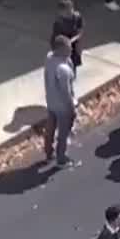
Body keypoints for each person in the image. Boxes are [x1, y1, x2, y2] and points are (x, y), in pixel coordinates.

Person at [43, 35, 77, 168]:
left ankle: (48, 153)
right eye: (68, 48)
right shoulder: (63, 69)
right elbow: (66, 92)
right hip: (63, 107)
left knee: (50, 128)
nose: (71, 50)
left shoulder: (49, 57)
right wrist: (71, 109)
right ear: (60, 49)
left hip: (51, 101)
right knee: (63, 132)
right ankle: (61, 158)